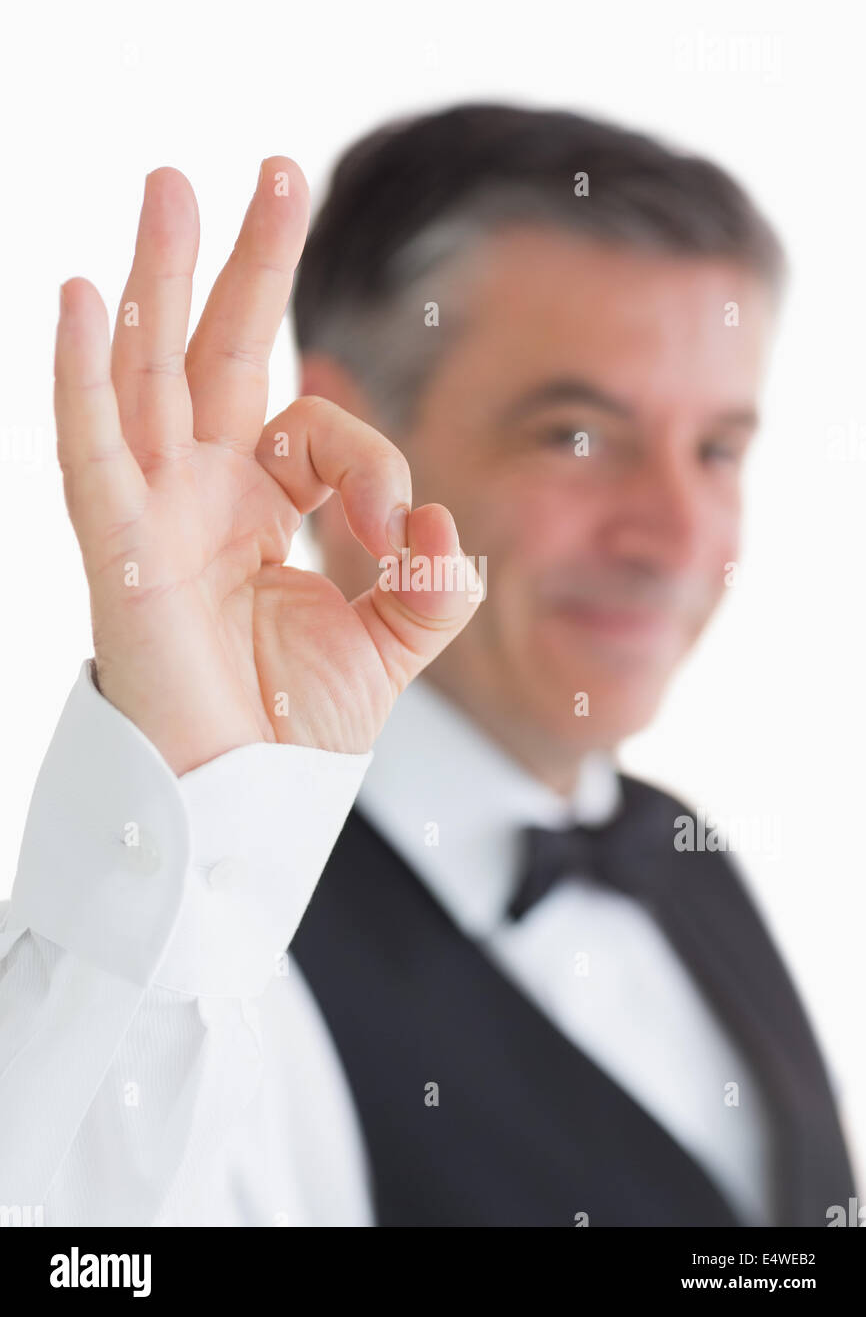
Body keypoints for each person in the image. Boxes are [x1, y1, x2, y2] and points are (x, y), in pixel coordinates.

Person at [0, 103, 856, 1228]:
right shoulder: (230, 958)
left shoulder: (682, 856)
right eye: (576, 435)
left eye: (717, 449)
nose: (679, 535)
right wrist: (193, 812)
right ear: (353, 435)